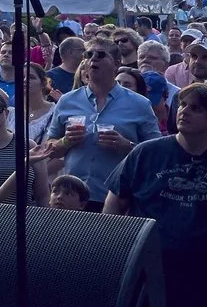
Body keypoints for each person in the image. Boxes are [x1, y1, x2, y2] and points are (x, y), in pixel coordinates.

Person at [104, 82, 207, 307]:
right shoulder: (147, 152)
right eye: (183, 105)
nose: (184, 112)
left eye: (196, 108)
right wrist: (115, 253)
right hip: (149, 270)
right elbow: (115, 203)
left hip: (205, 277)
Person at [47, 37, 160, 204]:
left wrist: (126, 146)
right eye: (88, 54)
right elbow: (50, 150)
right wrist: (66, 141)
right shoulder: (67, 101)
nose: (93, 59)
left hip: (117, 199)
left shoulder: (139, 104)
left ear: (116, 64)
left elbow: (156, 154)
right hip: (72, 199)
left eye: (100, 55)